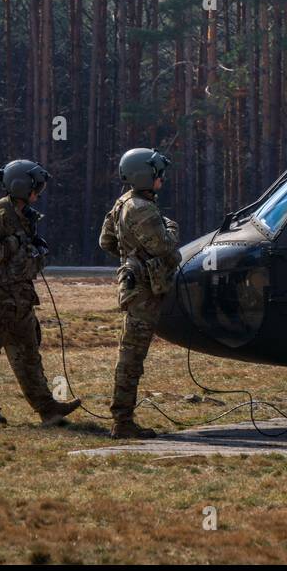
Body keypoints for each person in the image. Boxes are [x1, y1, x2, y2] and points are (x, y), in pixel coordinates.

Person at [0, 159, 81, 428]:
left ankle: (48, 410)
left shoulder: (24, 215)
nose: (38, 191)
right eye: (35, 186)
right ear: (22, 186)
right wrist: (14, 242)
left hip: (21, 297)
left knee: (28, 355)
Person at [99, 148, 182, 440]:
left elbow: (105, 241)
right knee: (132, 355)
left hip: (136, 285)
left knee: (131, 353)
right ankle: (122, 421)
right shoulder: (143, 208)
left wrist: (130, 256)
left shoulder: (123, 203)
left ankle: (123, 418)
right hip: (144, 291)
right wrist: (171, 228)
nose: (162, 177)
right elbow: (168, 250)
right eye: (158, 172)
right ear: (145, 175)